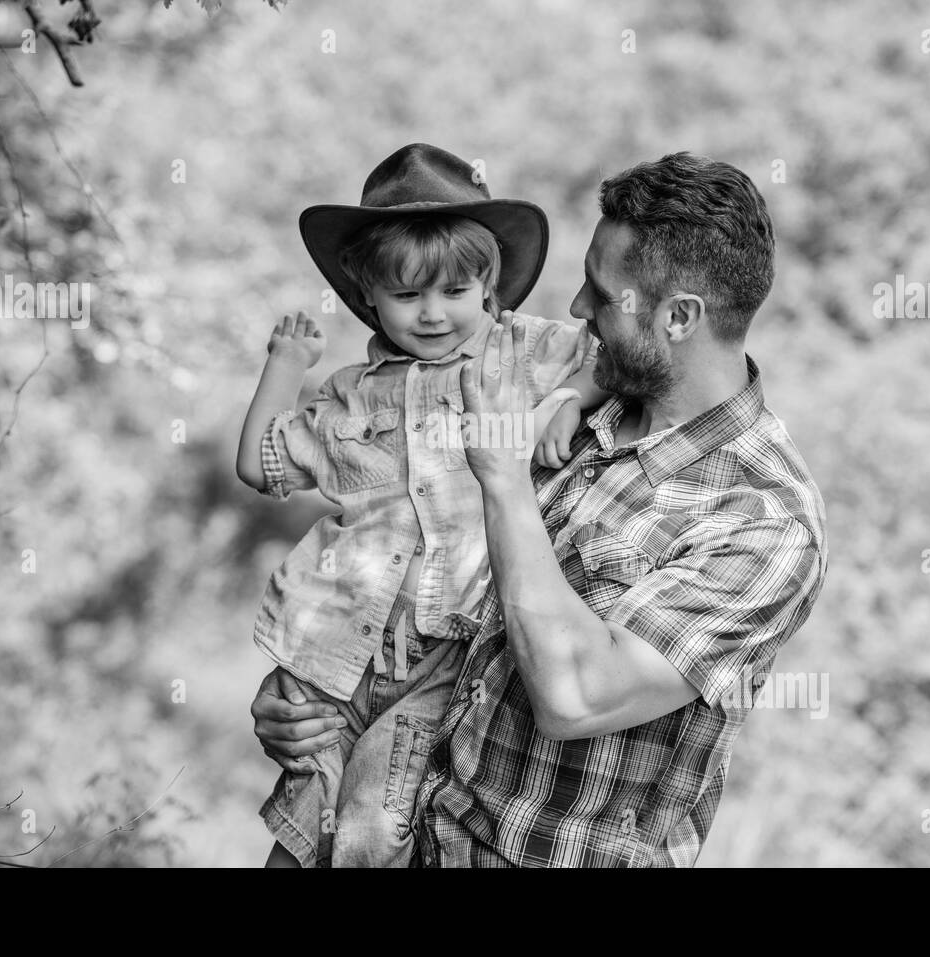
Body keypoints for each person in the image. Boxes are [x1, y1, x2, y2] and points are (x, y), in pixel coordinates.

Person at [253, 152, 828, 867]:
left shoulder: (761, 517)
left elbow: (574, 696)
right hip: (415, 830)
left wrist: (503, 480)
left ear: (679, 317)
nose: (577, 310)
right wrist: (317, 702)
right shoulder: (572, 403)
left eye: (598, 291)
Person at [236, 143, 608, 867]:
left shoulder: (522, 355)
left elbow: (615, 354)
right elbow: (261, 464)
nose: (433, 314)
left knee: (373, 829)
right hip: (334, 645)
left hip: (442, 650)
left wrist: (564, 403)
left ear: (489, 284)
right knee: (297, 832)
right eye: (407, 297)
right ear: (367, 293)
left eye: (454, 292)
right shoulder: (351, 393)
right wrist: (283, 368)